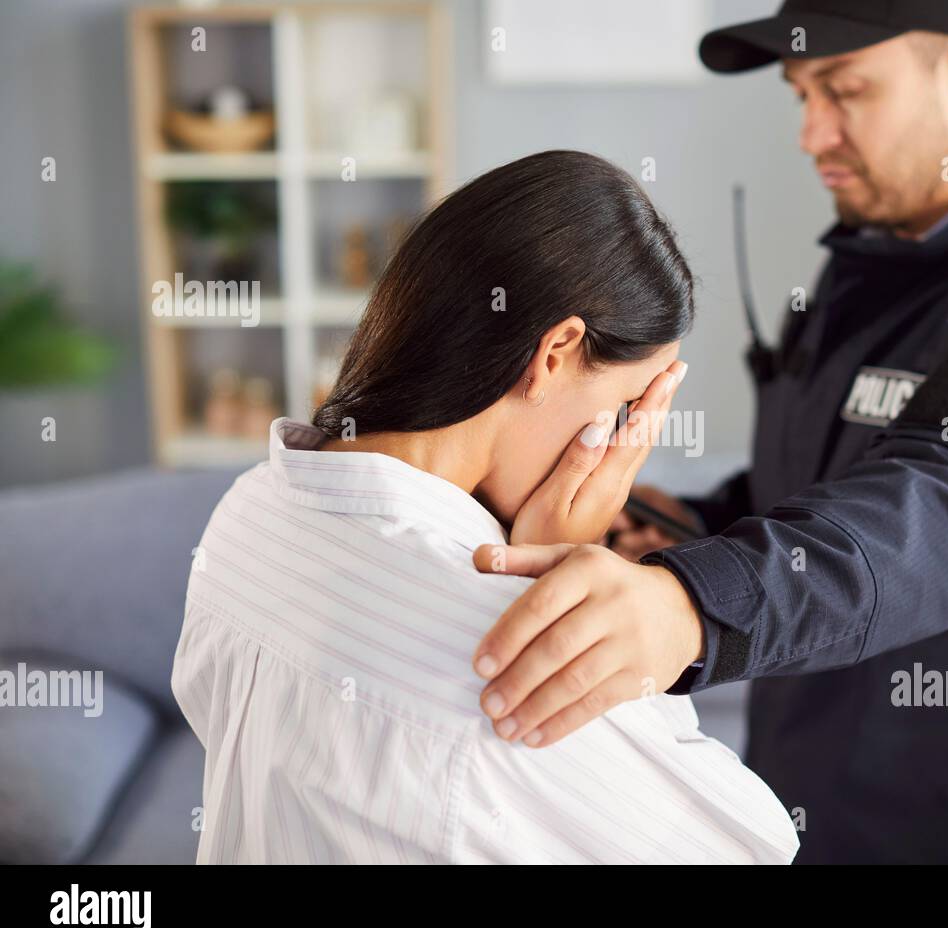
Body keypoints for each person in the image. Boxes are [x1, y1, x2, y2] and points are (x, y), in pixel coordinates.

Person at [469, 1, 948, 863]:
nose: (812, 134)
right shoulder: (863, 263)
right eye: (802, 93)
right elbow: (822, 489)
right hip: (798, 796)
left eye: (845, 91)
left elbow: (942, 510)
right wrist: (689, 526)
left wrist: (692, 602)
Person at [171, 150, 799, 864]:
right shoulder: (499, 647)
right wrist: (564, 584)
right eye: (627, 407)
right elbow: (754, 845)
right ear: (556, 352)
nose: (627, 448)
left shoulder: (245, 513)